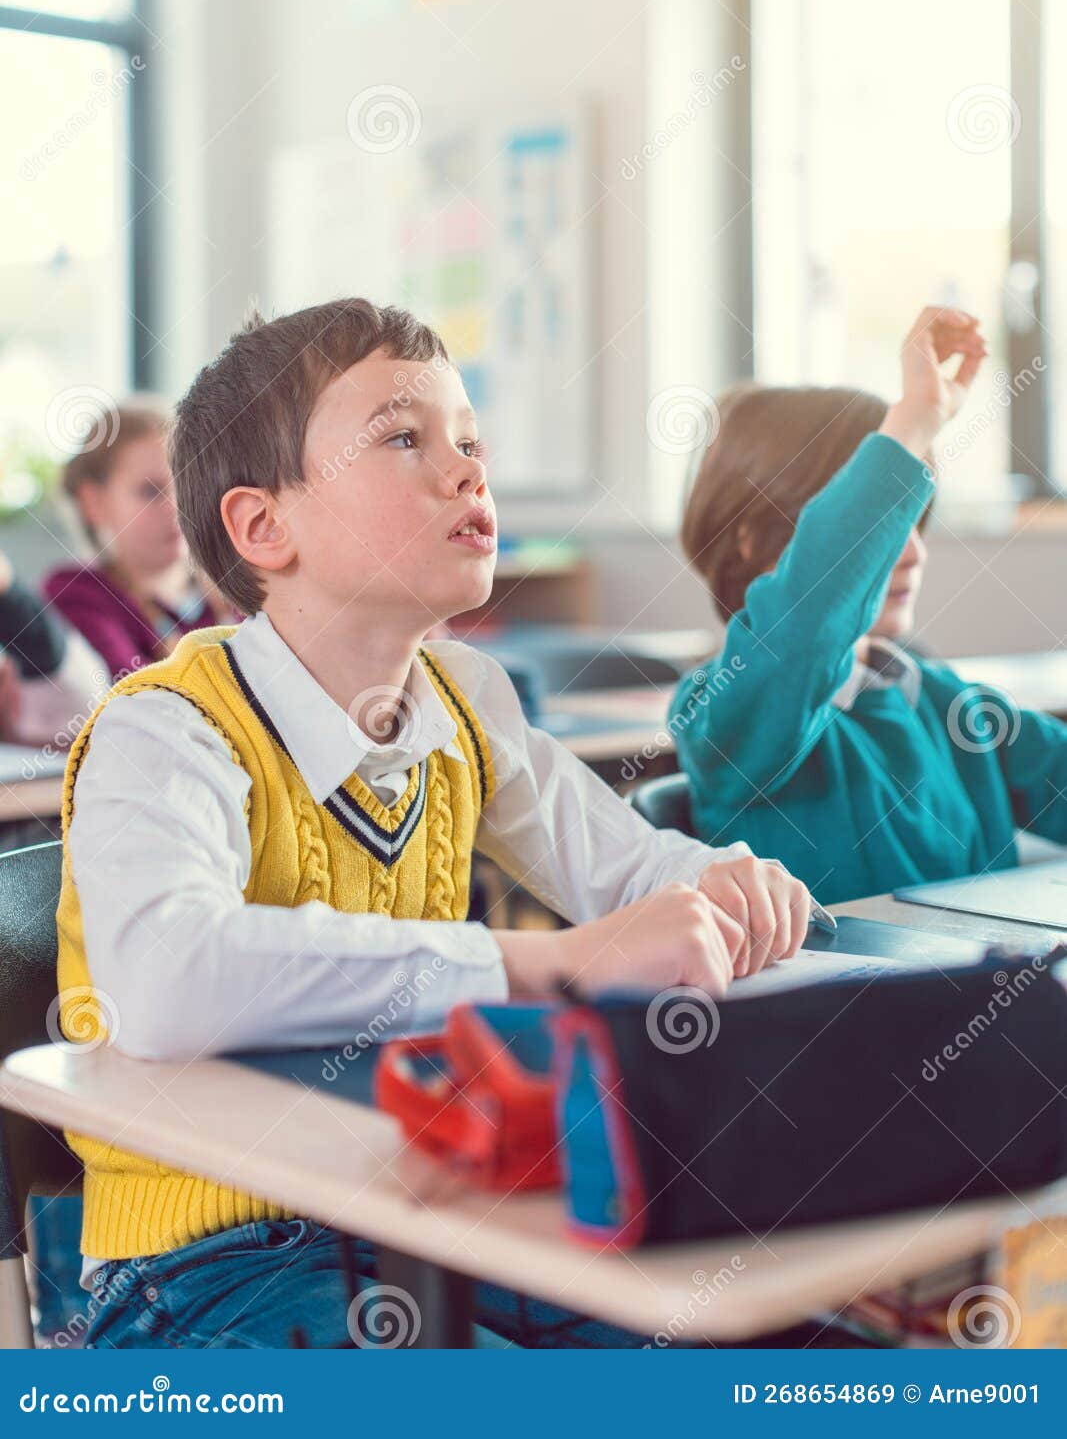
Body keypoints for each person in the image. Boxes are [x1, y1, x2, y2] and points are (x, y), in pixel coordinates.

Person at [56, 297, 811, 1349]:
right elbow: (170, 978)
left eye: (469, 441)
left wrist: (728, 880)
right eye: (403, 438)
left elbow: (629, 867)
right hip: (206, 1270)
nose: (465, 471)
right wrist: (548, 964)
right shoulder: (163, 729)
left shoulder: (463, 699)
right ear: (261, 525)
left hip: (431, 1213)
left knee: (780, 1344)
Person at [671, 305, 1067, 903]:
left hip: (997, 988)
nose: (912, 553)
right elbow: (805, 625)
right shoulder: (725, 712)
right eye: (884, 524)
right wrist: (912, 421)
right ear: (752, 540)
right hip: (854, 998)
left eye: (914, 520)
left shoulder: (942, 701)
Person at [43, 398, 228, 682]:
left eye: (187, 482)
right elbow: (133, 694)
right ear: (95, 503)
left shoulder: (236, 592)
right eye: (151, 491)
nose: (176, 507)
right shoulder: (79, 594)